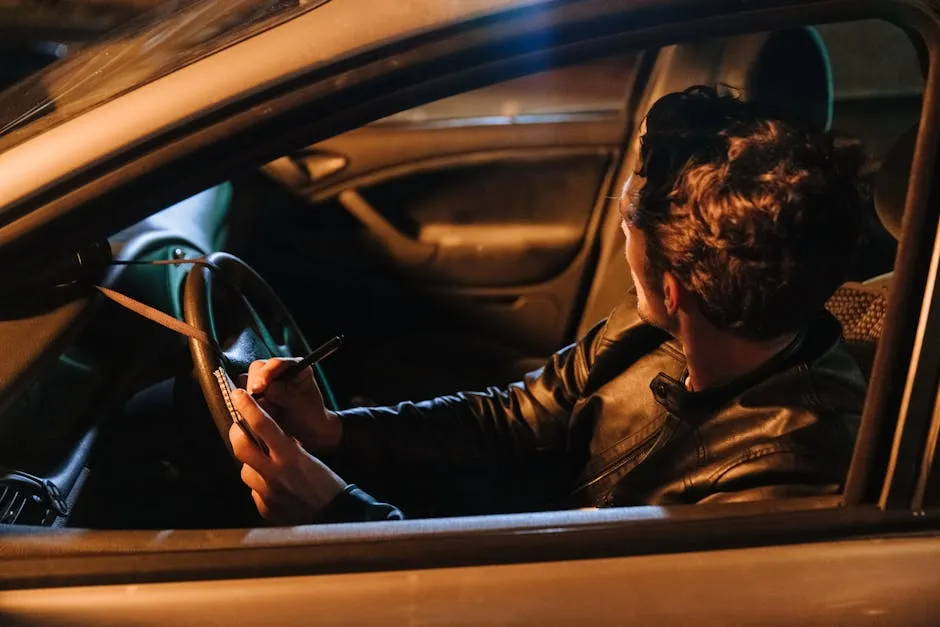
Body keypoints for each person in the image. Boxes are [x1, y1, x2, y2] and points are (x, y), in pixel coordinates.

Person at [227, 85, 869, 525]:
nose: (624, 247)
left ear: (672, 290)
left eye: (627, 237)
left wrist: (338, 516)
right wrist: (337, 431)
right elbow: (521, 417)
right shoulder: (679, 320)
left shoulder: (784, 478)